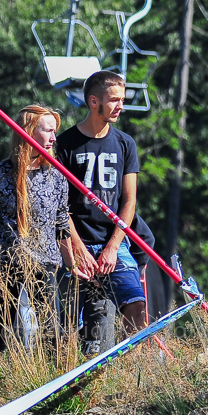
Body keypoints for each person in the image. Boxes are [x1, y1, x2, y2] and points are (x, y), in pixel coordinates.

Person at [0, 106, 83, 349]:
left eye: (55, 131)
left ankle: (50, 383)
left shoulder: (56, 176)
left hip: (45, 264)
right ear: (28, 132)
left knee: (50, 335)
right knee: (0, 338)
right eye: (48, 131)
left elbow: (61, 225)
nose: (54, 138)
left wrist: (72, 266)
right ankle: (0, 385)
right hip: (5, 266)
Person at [57, 71, 146, 352]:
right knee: (74, 325)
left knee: (137, 307)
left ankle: (136, 378)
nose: (120, 106)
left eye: (122, 99)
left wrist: (113, 246)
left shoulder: (125, 143)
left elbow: (129, 201)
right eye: (114, 100)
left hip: (113, 242)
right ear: (94, 101)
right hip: (74, 243)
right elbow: (59, 205)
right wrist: (78, 248)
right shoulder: (65, 144)